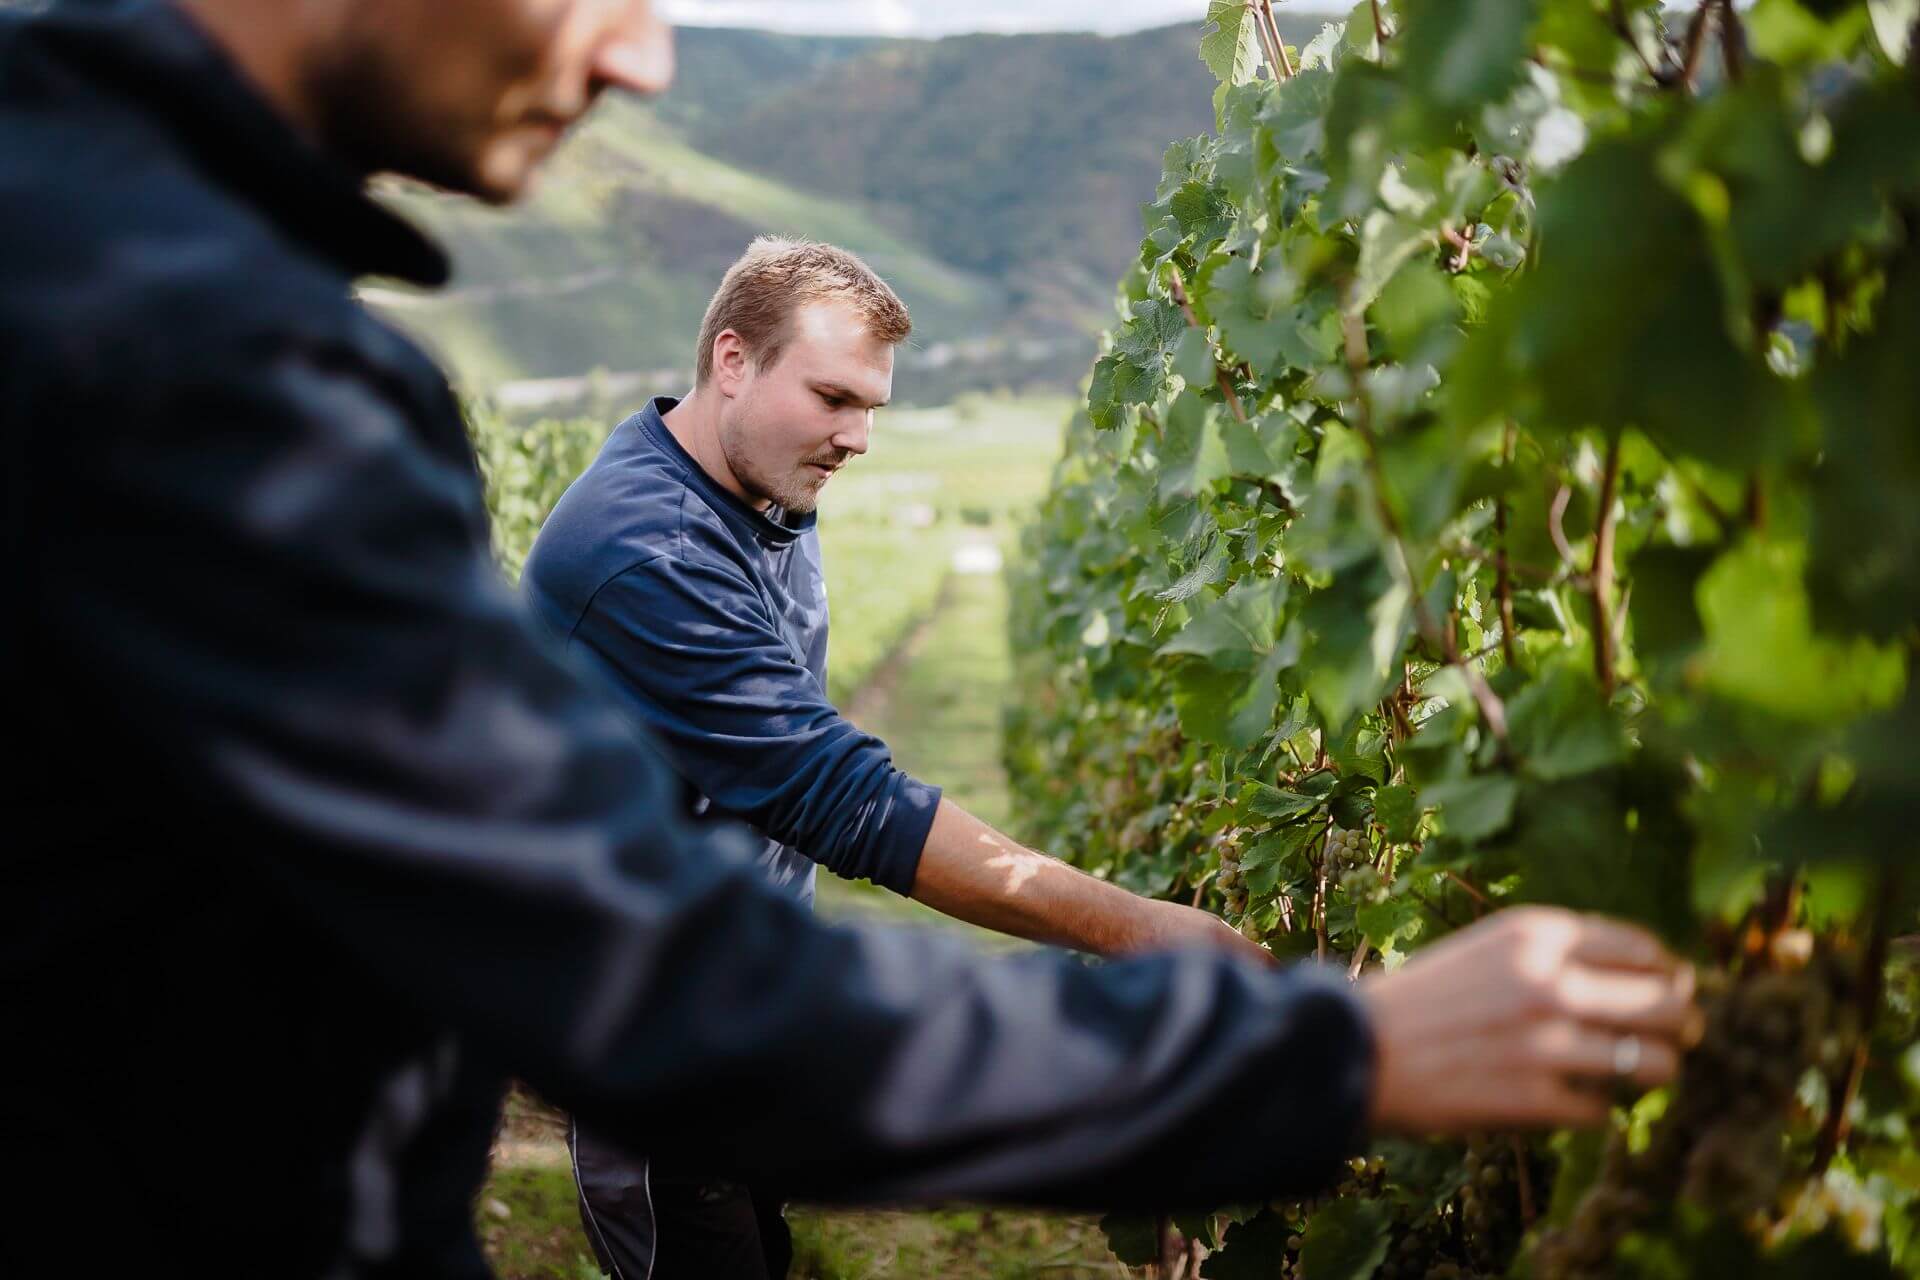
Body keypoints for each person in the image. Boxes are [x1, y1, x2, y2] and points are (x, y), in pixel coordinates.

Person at [0, 2, 1701, 1278]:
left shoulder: (116, 256)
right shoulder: (193, 368)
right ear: (727, 365)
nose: (647, 59)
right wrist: (1338, 1054)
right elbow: (680, 976)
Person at [521, 236, 1281, 1279]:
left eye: (873, 405)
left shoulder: (760, 486)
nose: (858, 436)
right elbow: (840, 796)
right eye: (834, 396)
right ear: (732, 360)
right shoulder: (649, 550)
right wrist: (1142, 927)